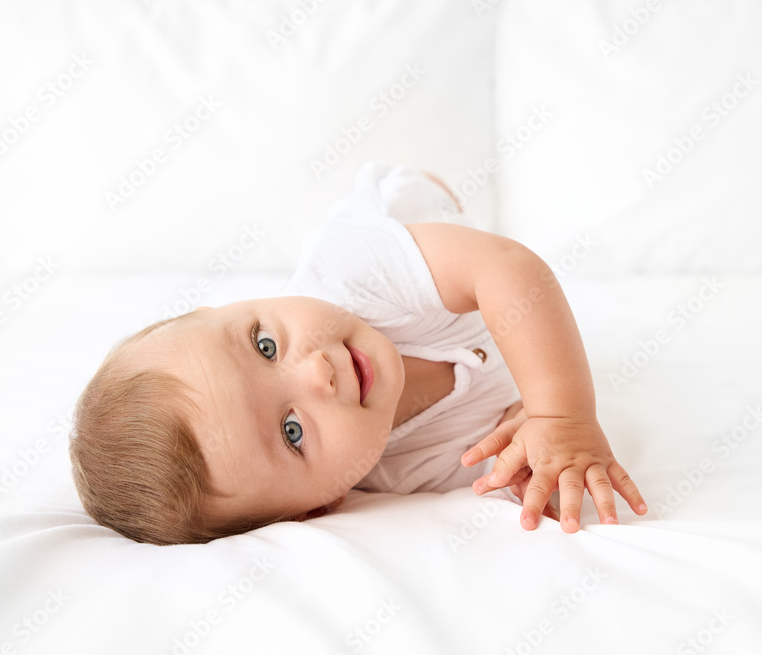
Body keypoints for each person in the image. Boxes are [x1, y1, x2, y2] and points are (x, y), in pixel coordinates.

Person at [68, 161, 647, 545]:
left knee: (435, 209)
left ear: (225, 305)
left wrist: (560, 416)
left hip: (410, 232)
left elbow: (510, 270)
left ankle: (422, 190)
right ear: (318, 506)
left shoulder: (352, 271)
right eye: (292, 431)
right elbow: (513, 438)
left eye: (264, 344)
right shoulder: (397, 472)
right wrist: (527, 443)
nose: (316, 371)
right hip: (483, 340)